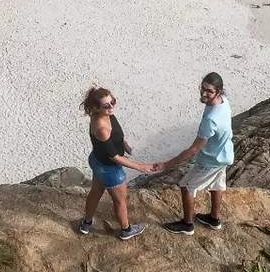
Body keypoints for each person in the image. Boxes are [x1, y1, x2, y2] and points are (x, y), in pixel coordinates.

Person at [79, 87, 160, 240]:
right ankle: (126, 230)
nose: (111, 107)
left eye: (112, 102)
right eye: (107, 105)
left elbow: (116, 133)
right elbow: (114, 157)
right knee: (120, 201)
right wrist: (141, 167)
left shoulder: (102, 114)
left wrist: (125, 145)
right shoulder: (101, 128)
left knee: (96, 192)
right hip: (109, 169)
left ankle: (86, 223)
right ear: (97, 107)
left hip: (97, 160)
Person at [161, 72, 233, 234]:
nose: (204, 93)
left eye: (209, 91)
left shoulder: (211, 120)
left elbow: (194, 149)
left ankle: (187, 225)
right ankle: (214, 219)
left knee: (186, 187)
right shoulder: (224, 102)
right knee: (217, 186)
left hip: (211, 160)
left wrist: (167, 164)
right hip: (225, 154)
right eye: (203, 89)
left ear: (219, 92)